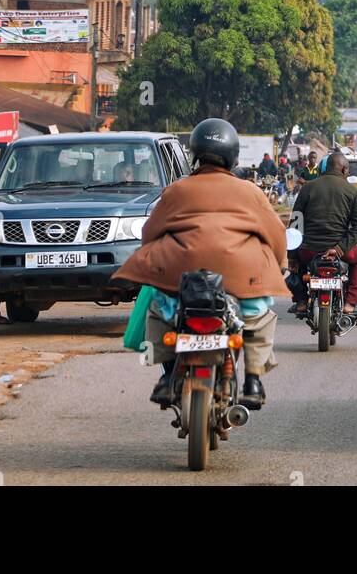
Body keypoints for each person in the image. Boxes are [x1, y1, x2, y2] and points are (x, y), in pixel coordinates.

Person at [112, 118, 288, 411]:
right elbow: (276, 236)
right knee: (259, 320)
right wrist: (279, 264)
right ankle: (254, 382)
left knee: (159, 311)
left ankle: (168, 378)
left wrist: (154, 265)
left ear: (194, 153)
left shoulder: (176, 190)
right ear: (232, 157)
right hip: (240, 279)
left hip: (181, 278)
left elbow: (150, 235)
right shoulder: (251, 192)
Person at [290, 151, 357, 315]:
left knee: (296, 261)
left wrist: (291, 256)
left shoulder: (308, 188)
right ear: (344, 169)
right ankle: (351, 303)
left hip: (309, 250)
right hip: (340, 252)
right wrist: (339, 249)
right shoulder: (352, 192)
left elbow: (296, 224)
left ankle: (301, 301)